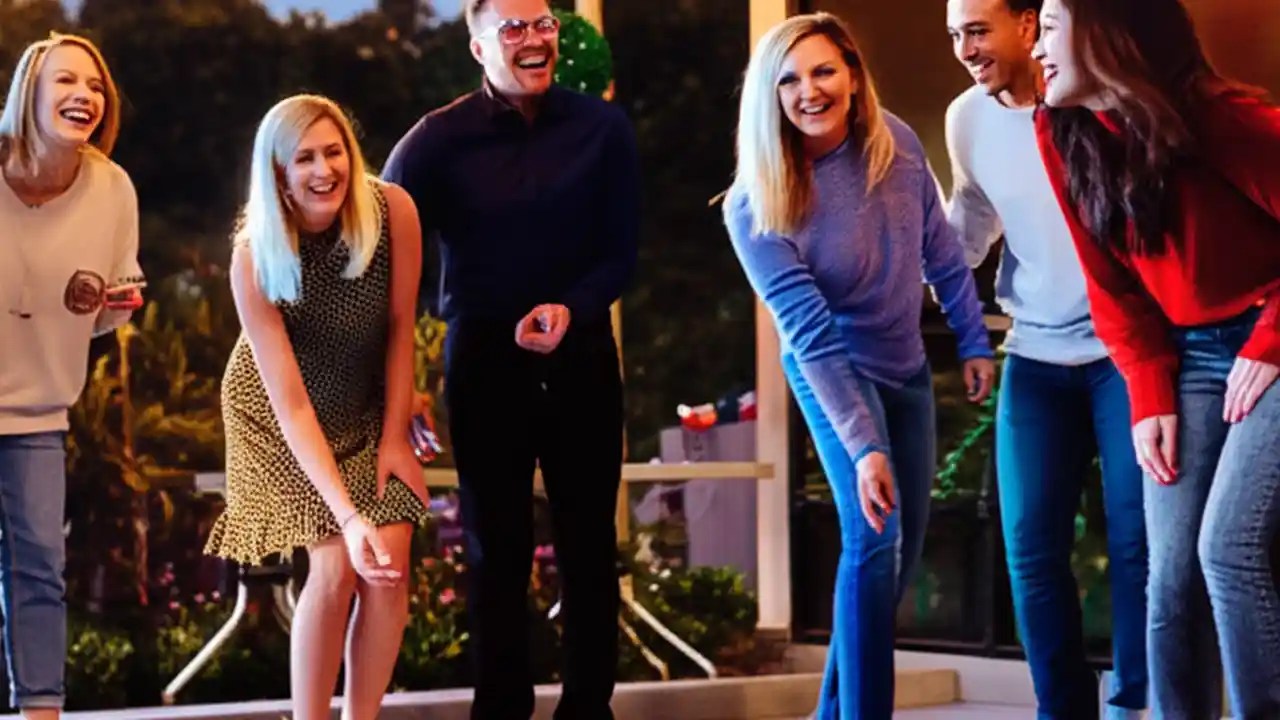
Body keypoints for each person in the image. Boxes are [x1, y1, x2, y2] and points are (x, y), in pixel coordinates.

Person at [723, 12, 994, 719]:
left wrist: (971, 339)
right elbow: (810, 334)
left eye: (821, 71)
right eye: (787, 80)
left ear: (851, 73)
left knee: (897, 556)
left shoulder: (895, 144)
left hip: (904, 364)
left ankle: (829, 713)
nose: (807, 91)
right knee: (874, 538)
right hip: (834, 373)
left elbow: (941, 252)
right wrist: (863, 444)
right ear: (769, 96)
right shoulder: (756, 203)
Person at [380, 0, 641, 716]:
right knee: (497, 550)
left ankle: (589, 707)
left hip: (582, 352)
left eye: (544, 25)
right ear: (478, 48)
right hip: (484, 360)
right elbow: (378, 253)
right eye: (514, 29)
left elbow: (620, 253)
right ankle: (501, 708)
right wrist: (398, 379)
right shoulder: (434, 142)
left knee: (590, 544)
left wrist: (574, 307)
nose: (534, 40)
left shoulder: (604, 129)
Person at [1032, 0, 1280, 716]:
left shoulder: (1222, 121)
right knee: (1169, 574)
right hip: (1188, 351)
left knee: (1227, 551)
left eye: (1048, 25)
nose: (1035, 44)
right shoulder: (1061, 130)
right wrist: (1148, 390)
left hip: (1269, 334)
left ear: (1108, 31)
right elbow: (1107, 282)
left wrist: (1270, 340)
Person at [942, 1, 1147, 717]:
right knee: (1029, 548)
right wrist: (901, 280)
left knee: (1136, 542)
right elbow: (969, 220)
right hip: (1033, 354)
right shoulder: (966, 118)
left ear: (1028, 25)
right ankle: (1062, 707)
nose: (964, 49)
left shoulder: (1107, 103)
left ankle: (1133, 699)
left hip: (1125, 356)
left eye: (977, 30)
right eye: (954, 36)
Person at [203, 94, 430, 720]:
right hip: (276, 419)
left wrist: (394, 440)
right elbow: (292, 405)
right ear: (278, 173)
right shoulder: (253, 257)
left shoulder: (393, 212)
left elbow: (400, 326)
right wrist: (350, 518)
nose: (323, 169)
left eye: (334, 152)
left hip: (363, 402)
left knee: (390, 560)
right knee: (336, 560)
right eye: (304, 158)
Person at [0, 33, 143, 720]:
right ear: (29, 90)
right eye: (65, 81)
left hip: (38, 411)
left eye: (94, 85)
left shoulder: (112, 188)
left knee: (39, 571)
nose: (83, 95)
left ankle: (40, 711)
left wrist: (112, 306)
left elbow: (104, 308)